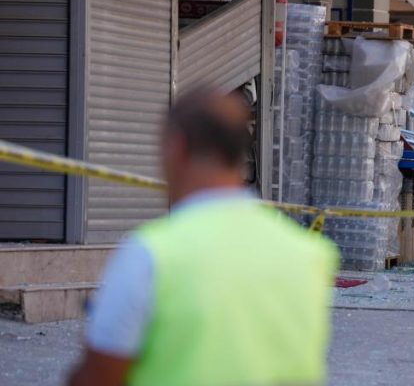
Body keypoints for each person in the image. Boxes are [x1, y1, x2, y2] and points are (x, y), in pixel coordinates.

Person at [68, 89, 339, 386]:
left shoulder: (152, 252)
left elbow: (98, 376)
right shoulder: (309, 253)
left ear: (176, 148)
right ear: (239, 154)